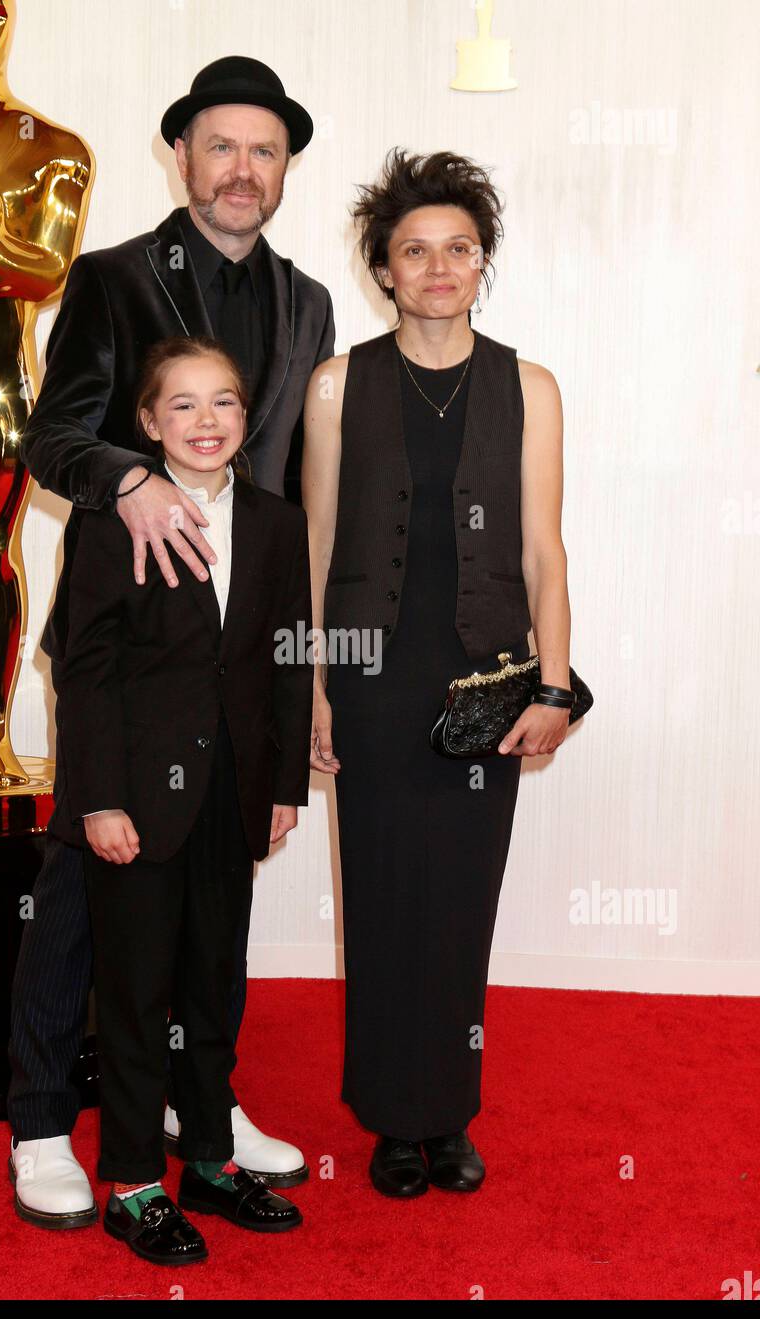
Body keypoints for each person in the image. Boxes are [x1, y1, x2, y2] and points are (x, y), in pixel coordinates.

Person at [8, 56, 334, 1229]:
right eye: (221, 146)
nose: (242, 169)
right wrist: (131, 479)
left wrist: (306, 688)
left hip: (236, 653)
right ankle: (45, 1116)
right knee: (81, 887)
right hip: (131, 643)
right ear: (182, 155)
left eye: (265, 150)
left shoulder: (308, 304)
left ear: (284, 167)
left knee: (205, 922)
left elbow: (294, 482)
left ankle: (207, 1118)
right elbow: (52, 439)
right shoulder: (112, 278)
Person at [302, 148, 576, 1197]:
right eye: (414, 250)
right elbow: (322, 548)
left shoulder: (530, 387)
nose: (438, 266)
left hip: (487, 684)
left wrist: (554, 686)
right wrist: (316, 687)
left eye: (459, 248)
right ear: (383, 269)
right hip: (371, 676)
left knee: (461, 900)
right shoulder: (339, 385)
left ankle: (448, 1116)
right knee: (378, 895)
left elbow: (546, 550)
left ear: (483, 263)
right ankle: (386, 1118)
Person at [46, 335, 312, 1263]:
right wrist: (99, 799)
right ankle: (129, 1182)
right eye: (184, 406)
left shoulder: (280, 525)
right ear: (149, 423)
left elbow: (286, 658)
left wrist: (283, 787)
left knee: (213, 987)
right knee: (134, 994)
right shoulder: (108, 519)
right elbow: (86, 675)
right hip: (137, 802)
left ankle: (207, 1156)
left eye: (225, 403)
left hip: (231, 794)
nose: (207, 422)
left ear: (248, 418)